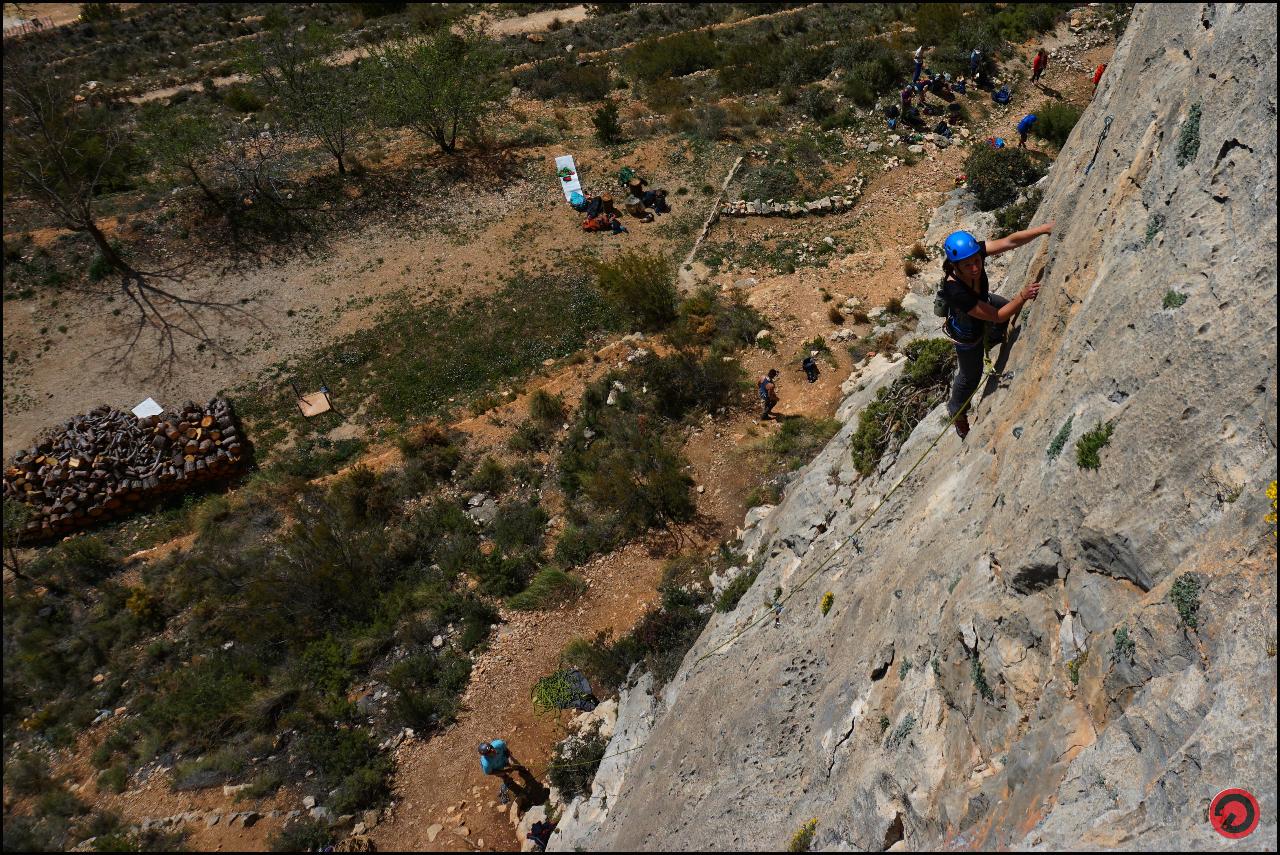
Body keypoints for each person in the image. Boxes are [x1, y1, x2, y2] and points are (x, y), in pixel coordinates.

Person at [937, 224, 1053, 438]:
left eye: (977, 261)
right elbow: (997, 316)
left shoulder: (973, 252)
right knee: (970, 376)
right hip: (967, 335)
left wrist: (1044, 229)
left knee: (1008, 309)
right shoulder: (955, 291)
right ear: (955, 265)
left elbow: (1010, 241)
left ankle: (994, 338)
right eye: (967, 265)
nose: (975, 268)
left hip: (984, 303)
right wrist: (1023, 296)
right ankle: (957, 411)